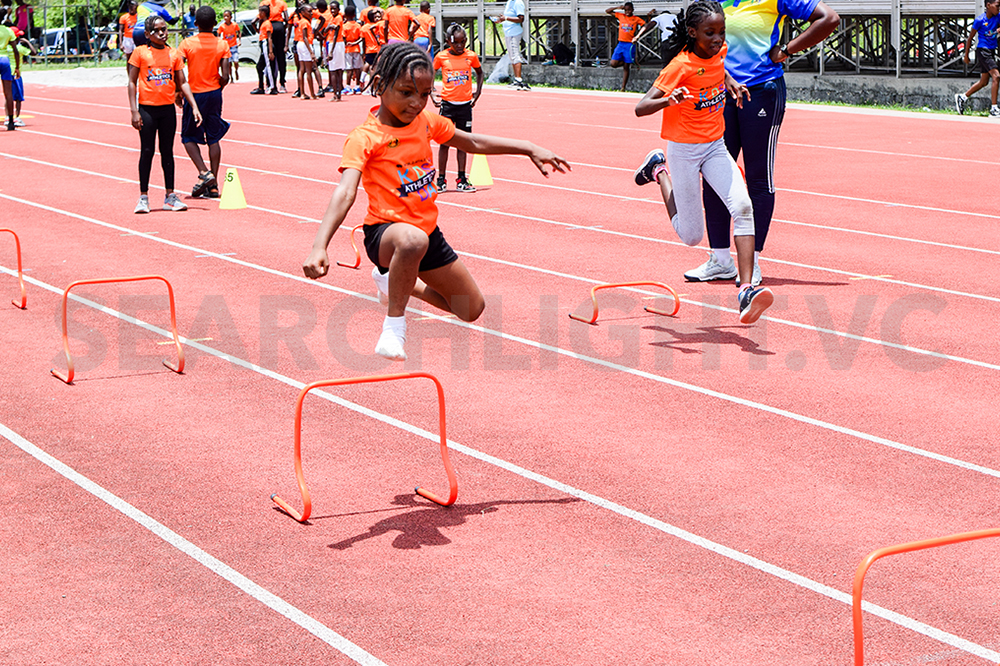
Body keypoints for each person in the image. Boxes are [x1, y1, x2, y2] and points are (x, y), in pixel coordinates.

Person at [302, 41, 569, 361]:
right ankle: (393, 329)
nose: (417, 102)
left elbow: (471, 142)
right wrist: (320, 245)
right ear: (380, 84)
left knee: (471, 308)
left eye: (425, 94)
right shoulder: (365, 137)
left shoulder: (426, 122)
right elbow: (346, 191)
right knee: (411, 239)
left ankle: (395, 283)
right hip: (385, 233)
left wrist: (527, 147)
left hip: (426, 234)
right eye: (406, 92)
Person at [633, 0, 773, 325]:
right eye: (710, 33)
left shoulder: (718, 53)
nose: (718, 39)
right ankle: (658, 169)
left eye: (722, 32)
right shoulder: (679, 66)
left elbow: (717, 69)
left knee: (743, 207)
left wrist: (732, 83)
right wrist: (671, 99)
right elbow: (641, 107)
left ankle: (746, 290)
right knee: (691, 236)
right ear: (693, 32)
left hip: (714, 146)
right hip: (682, 150)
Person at [688, 0, 838, 286]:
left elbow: (828, 18)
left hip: (762, 90)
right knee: (714, 175)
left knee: (758, 177)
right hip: (720, 92)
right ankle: (720, 259)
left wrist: (786, 50)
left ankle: (751, 262)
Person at [128, 15, 201, 213]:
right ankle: (143, 197)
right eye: (158, 30)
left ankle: (170, 196)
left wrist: (193, 105)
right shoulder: (140, 53)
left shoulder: (174, 54)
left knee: (167, 151)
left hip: (167, 109)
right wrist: (134, 111)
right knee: (147, 151)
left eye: (165, 29)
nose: (162, 33)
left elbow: (182, 81)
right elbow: (132, 82)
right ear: (147, 34)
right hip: (147, 109)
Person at [177, 5, 230, 198]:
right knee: (213, 138)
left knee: (188, 137)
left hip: (195, 94)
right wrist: (217, 88)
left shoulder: (186, 43)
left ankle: (204, 172)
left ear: (196, 23)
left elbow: (178, 70)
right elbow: (226, 75)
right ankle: (213, 185)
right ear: (215, 23)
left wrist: (178, 91)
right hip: (214, 93)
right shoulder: (222, 44)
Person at [433, 24, 483, 193]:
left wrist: (478, 93)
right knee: (445, 143)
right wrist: (431, 93)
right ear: (448, 41)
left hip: (464, 106)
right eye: (456, 43)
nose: (460, 46)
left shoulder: (471, 56)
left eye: (463, 42)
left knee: (463, 143)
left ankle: (462, 178)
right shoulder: (441, 57)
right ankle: (441, 179)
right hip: (447, 105)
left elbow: (480, 72)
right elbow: (430, 73)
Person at [956, 0, 1000, 116]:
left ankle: (962, 97)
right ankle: (994, 109)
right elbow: (970, 39)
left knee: (984, 82)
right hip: (983, 51)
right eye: (997, 6)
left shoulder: (997, 17)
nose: (999, 8)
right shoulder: (979, 20)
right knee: (996, 76)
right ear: (988, 5)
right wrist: (966, 55)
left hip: (991, 50)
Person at [605, 2, 647, 91]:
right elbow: (607, 11)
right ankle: (629, 61)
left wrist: (637, 36)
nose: (627, 12)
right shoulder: (621, 16)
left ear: (632, 10)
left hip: (629, 44)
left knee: (626, 67)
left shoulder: (636, 19)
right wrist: (618, 7)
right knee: (613, 63)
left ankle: (623, 87)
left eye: (629, 10)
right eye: (626, 10)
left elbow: (645, 25)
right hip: (621, 43)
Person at [493, 0, 528, 90]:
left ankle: (518, 79)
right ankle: (516, 79)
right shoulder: (509, 2)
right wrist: (501, 20)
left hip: (514, 32)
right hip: (508, 32)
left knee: (515, 54)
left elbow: (521, 19)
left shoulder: (518, 2)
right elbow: (507, 18)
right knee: (511, 55)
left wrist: (506, 18)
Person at [0, 9, 22, 131]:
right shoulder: (8, 31)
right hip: (5, 60)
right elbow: (15, 49)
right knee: (8, 93)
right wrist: (17, 67)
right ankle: (10, 121)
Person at [293, 3, 318, 99]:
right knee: (308, 70)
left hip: (301, 44)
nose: (311, 13)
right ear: (302, 12)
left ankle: (302, 93)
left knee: (302, 69)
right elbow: (305, 37)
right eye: (309, 11)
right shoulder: (305, 22)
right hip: (304, 44)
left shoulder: (302, 21)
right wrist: (311, 52)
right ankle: (312, 93)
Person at [251, 4, 278, 94]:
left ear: (264, 13)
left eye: (260, 12)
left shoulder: (267, 24)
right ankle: (261, 87)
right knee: (259, 66)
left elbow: (270, 38)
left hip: (266, 45)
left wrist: (270, 51)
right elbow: (253, 23)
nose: (259, 14)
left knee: (269, 66)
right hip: (263, 44)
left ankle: (272, 87)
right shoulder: (262, 23)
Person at [10, 27, 32, 126]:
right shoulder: (19, 48)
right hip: (16, 75)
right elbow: (34, 52)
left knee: (8, 97)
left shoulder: (6, 48)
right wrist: (27, 42)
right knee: (18, 98)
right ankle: (17, 117)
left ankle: (8, 116)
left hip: (7, 74)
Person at [267, 0, 289, 92]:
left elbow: (261, 17)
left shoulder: (264, 2)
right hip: (279, 26)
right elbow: (287, 18)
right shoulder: (282, 3)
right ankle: (282, 83)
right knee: (281, 57)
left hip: (269, 26)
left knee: (270, 57)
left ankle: (270, 83)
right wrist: (284, 28)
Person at [341, 5, 363, 94]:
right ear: (354, 15)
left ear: (345, 15)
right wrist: (355, 43)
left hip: (347, 49)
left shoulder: (344, 26)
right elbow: (362, 37)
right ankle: (357, 86)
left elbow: (343, 38)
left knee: (349, 68)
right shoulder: (358, 25)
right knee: (357, 68)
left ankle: (348, 86)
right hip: (356, 48)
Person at [218, 9, 240, 81]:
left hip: (234, 46)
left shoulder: (234, 25)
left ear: (231, 17)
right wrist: (220, 42)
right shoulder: (222, 26)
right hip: (227, 47)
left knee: (236, 61)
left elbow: (239, 32)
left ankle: (236, 70)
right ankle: (231, 77)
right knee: (229, 63)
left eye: (227, 16)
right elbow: (218, 33)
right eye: (224, 16)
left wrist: (239, 40)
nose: (225, 18)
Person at [118, 1, 138, 69]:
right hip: (127, 39)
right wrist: (120, 43)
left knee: (136, 57)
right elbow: (120, 30)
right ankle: (130, 76)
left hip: (136, 38)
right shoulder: (124, 17)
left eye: (133, 8)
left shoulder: (139, 17)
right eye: (130, 8)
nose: (132, 10)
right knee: (129, 58)